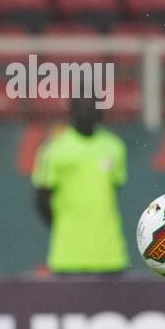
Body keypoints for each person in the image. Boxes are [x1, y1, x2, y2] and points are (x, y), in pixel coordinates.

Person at [33, 95, 130, 276]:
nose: (89, 111)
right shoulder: (54, 150)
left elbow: (114, 189)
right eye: (83, 105)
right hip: (68, 257)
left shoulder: (115, 148)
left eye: (93, 105)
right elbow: (41, 200)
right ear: (71, 110)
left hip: (110, 256)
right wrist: (65, 227)